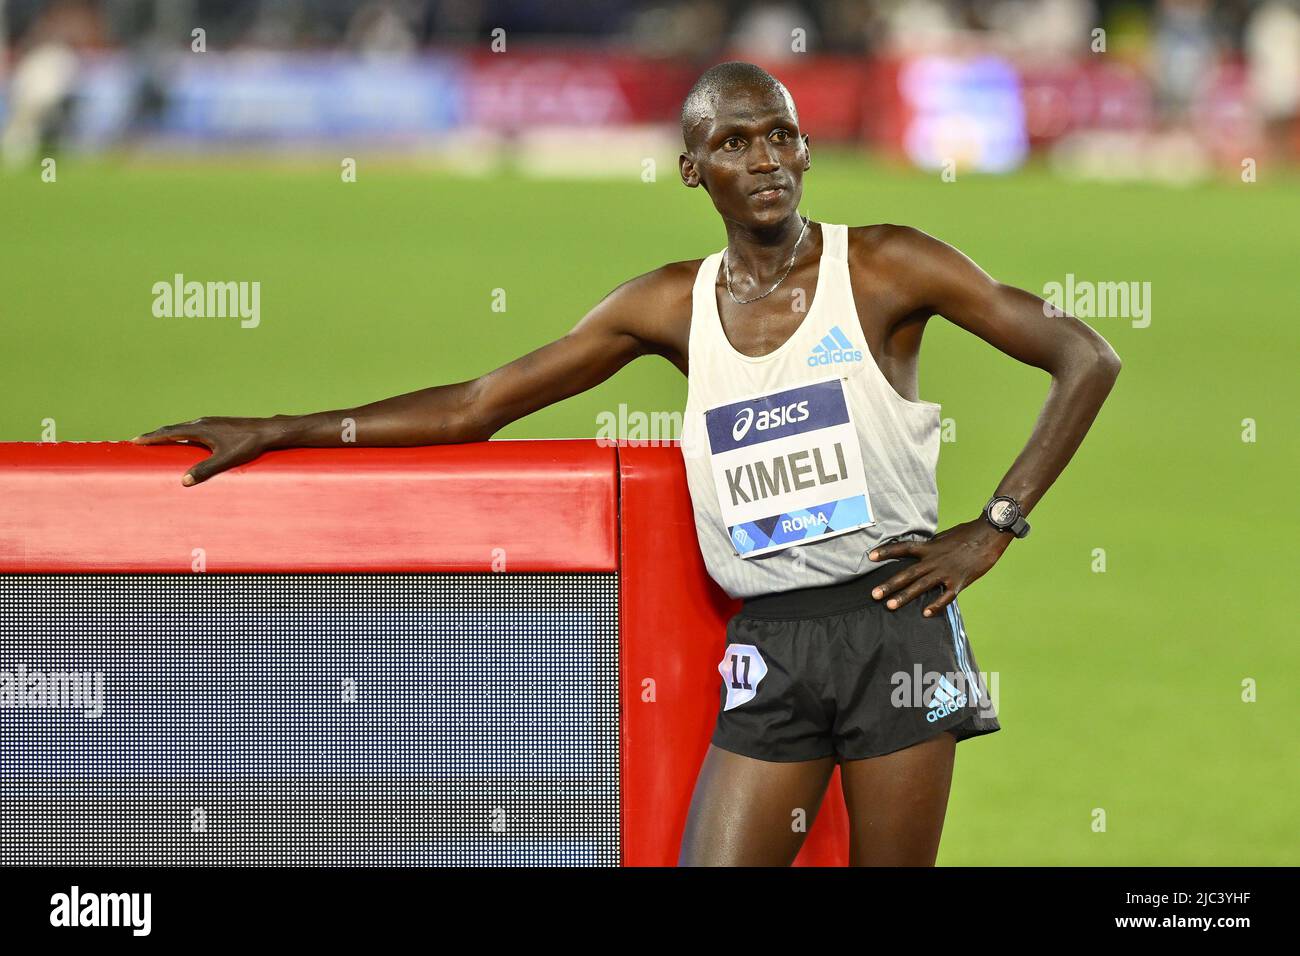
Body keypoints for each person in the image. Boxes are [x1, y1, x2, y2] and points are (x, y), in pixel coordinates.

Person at [134, 61, 1121, 866]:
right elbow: (480, 405)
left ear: (805, 147)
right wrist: (284, 427)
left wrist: (996, 524)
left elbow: (1085, 356)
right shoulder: (666, 304)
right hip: (770, 639)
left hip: (893, 629)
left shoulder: (886, 264)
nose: (766, 157)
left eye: (779, 134)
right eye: (734, 142)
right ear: (692, 169)